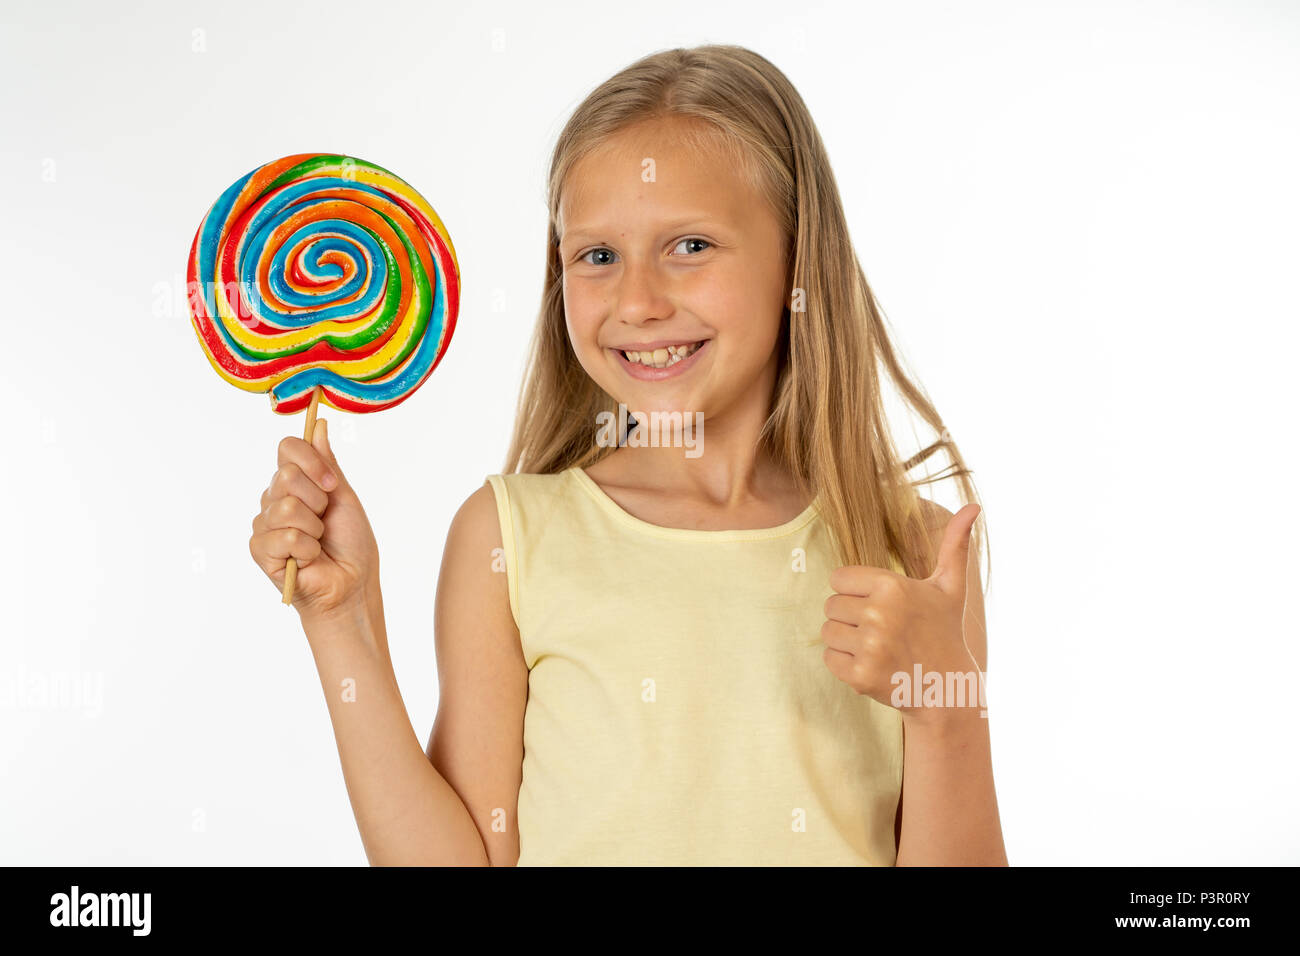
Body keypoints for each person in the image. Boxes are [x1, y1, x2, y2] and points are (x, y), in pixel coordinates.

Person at [249, 44, 1006, 866]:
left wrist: (948, 710)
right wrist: (342, 622)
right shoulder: (508, 540)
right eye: (598, 256)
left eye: (690, 246)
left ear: (798, 260)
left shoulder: (917, 557)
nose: (638, 302)